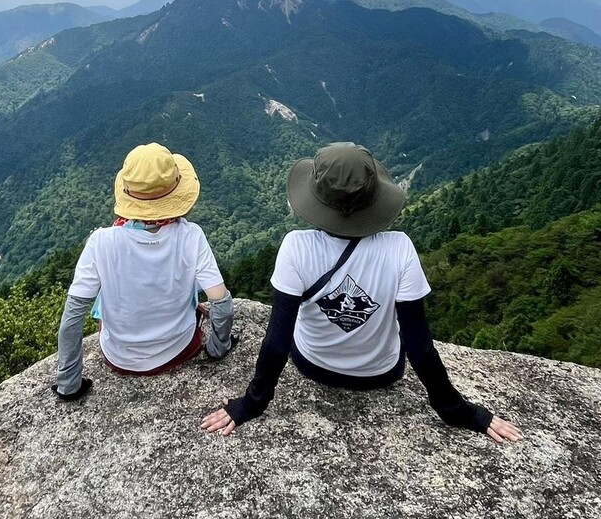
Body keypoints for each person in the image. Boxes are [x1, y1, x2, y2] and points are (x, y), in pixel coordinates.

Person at [201, 142, 522, 443]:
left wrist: (251, 405)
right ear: (373, 199)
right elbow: (420, 347)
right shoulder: (400, 248)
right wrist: (456, 408)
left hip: (313, 363)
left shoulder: (295, 247)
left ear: (317, 200)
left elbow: (276, 343)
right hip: (382, 372)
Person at [53, 143, 235, 401]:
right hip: (179, 349)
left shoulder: (101, 241)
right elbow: (222, 303)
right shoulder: (191, 236)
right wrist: (218, 348)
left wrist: (69, 384)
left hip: (118, 358)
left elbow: (72, 318)